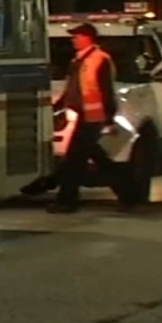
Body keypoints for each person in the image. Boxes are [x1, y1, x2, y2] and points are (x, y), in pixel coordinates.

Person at [47, 22, 127, 213]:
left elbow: (106, 90)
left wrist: (108, 118)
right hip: (83, 116)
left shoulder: (100, 59)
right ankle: (128, 190)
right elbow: (72, 89)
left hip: (93, 118)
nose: (73, 40)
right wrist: (57, 107)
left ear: (87, 38)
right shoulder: (78, 60)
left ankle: (67, 201)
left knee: (74, 159)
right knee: (96, 159)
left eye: (76, 36)